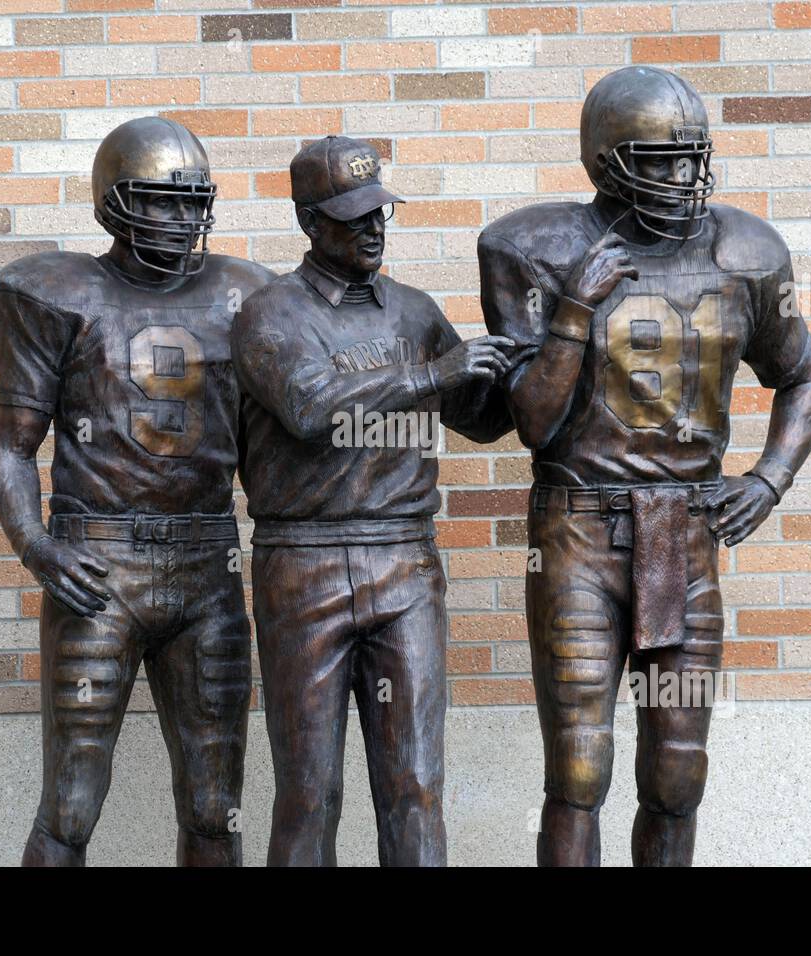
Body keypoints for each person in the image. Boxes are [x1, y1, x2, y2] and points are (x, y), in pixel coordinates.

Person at [478, 66, 811, 866]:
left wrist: (768, 479)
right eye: (659, 159)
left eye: (690, 157)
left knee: (678, 772)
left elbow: (803, 374)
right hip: (581, 532)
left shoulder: (746, 251)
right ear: (605, 161)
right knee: (579, 763)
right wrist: (574, 308)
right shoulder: (536, 247)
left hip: (688, 534)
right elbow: (532, 421)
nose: (681, 176)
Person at [0, 116, 274, 866]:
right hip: (99, 565)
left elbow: (283, 440)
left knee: (217, 804)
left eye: (192, 203)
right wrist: (36, 545)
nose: (181, 221)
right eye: (160, 202)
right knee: (72, 804)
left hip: (210, 564)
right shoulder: (56, 292)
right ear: (112, 203)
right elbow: (14, 447)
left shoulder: (244, 294)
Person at [231, 135, 514, 866]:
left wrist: (540, 350)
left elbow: (480, 419)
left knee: (415, 784)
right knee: (309, 793)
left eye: (379, 211)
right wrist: (434, 375)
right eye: (352, 215)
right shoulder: (270, 315)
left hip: (404, 563)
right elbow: (310, 408)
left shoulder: (414, 314)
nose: (373, 227)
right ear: (307, 221)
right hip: (304, 566)